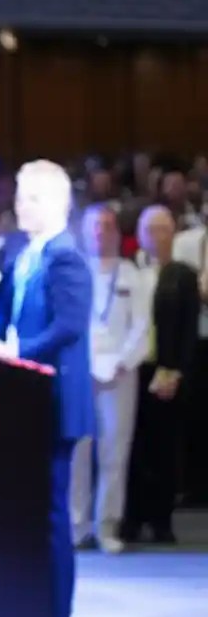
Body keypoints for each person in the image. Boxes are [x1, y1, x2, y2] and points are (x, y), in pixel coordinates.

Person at [0, 160, 93, 617]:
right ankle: (29, 606)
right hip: (24, 399)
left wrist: (14, 350)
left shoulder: (66, 258)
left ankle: (58, 615)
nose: (18, 205)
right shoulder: (24, 254)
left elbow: (68, 327)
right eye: (18, 195)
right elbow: (9, 315)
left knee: (52, 514)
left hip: (55, 402)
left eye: (29, 197)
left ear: (54, 203)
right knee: (30, 509)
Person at [75, 204, 150, 553]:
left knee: (114, 450)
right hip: (80, 370)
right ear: (84, 231)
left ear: (117, 233)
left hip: (119, 372)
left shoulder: (132, 273)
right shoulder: (75, 272)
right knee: (78, 448)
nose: (100, 232)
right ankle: (77, 525)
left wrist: (124, 360)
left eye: (106, 226)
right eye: (94, 226)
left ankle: (107, 525)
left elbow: (142, 325)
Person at [124, 205, 198, 544]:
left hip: (168, 370)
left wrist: (178, 370)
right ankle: (132, 517)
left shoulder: (182, 275)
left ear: (173, 233)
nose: (156, 236)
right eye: (149, 229)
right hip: (134, 370)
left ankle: (161, 519)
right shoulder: (129, 271)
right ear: (139, 234)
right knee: (134, 446)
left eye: (163, 229)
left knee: (166, 447)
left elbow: (188, 328)